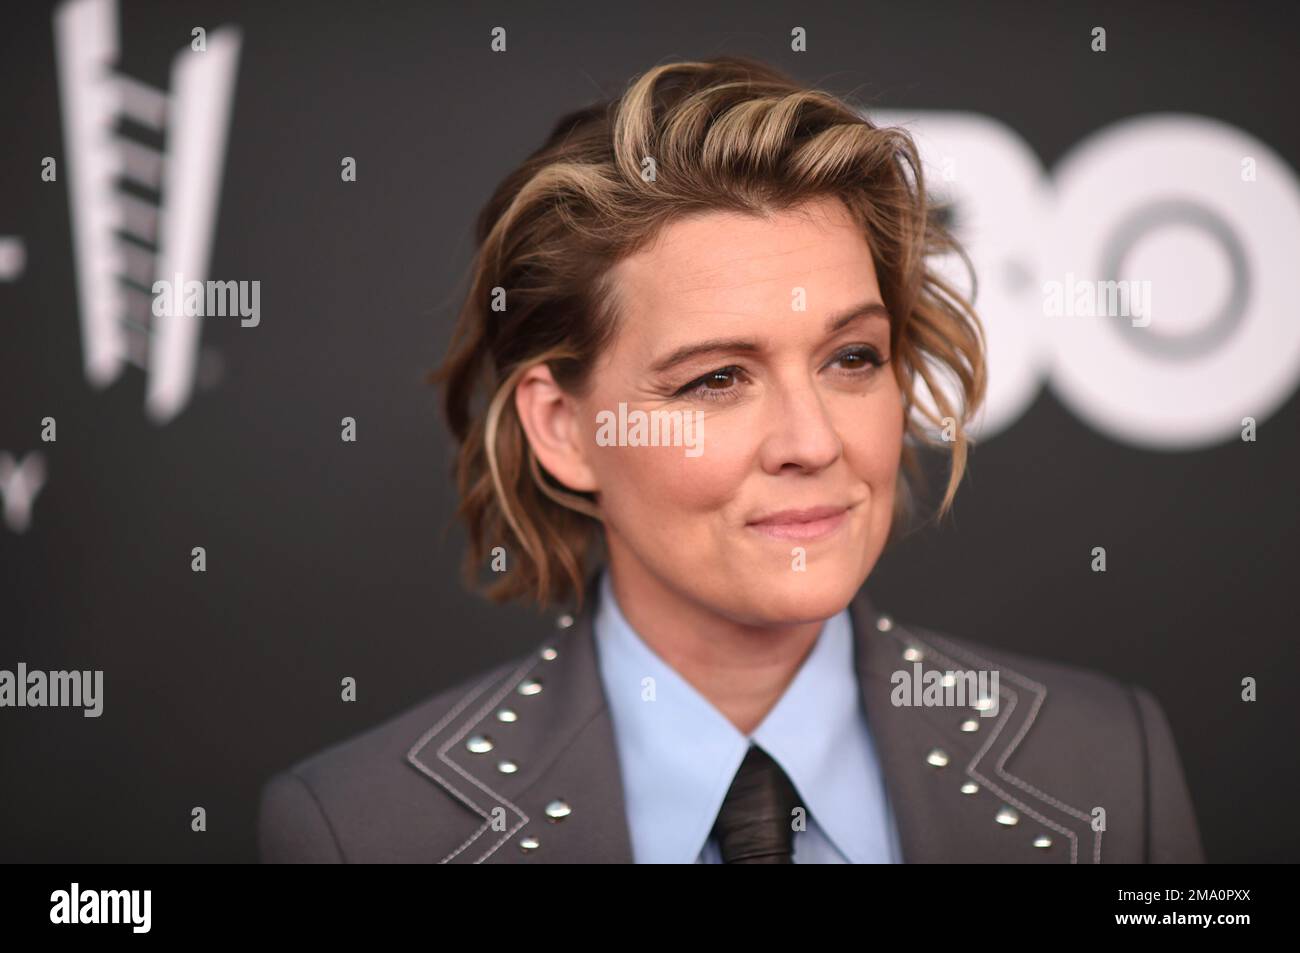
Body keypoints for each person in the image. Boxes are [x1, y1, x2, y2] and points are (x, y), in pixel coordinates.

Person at [257, 55, 1204, 864]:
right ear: (562, 427)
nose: (811, 441)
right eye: (716, 379)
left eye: (851, 358)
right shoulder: (364, 828)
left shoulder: (1110, 767)